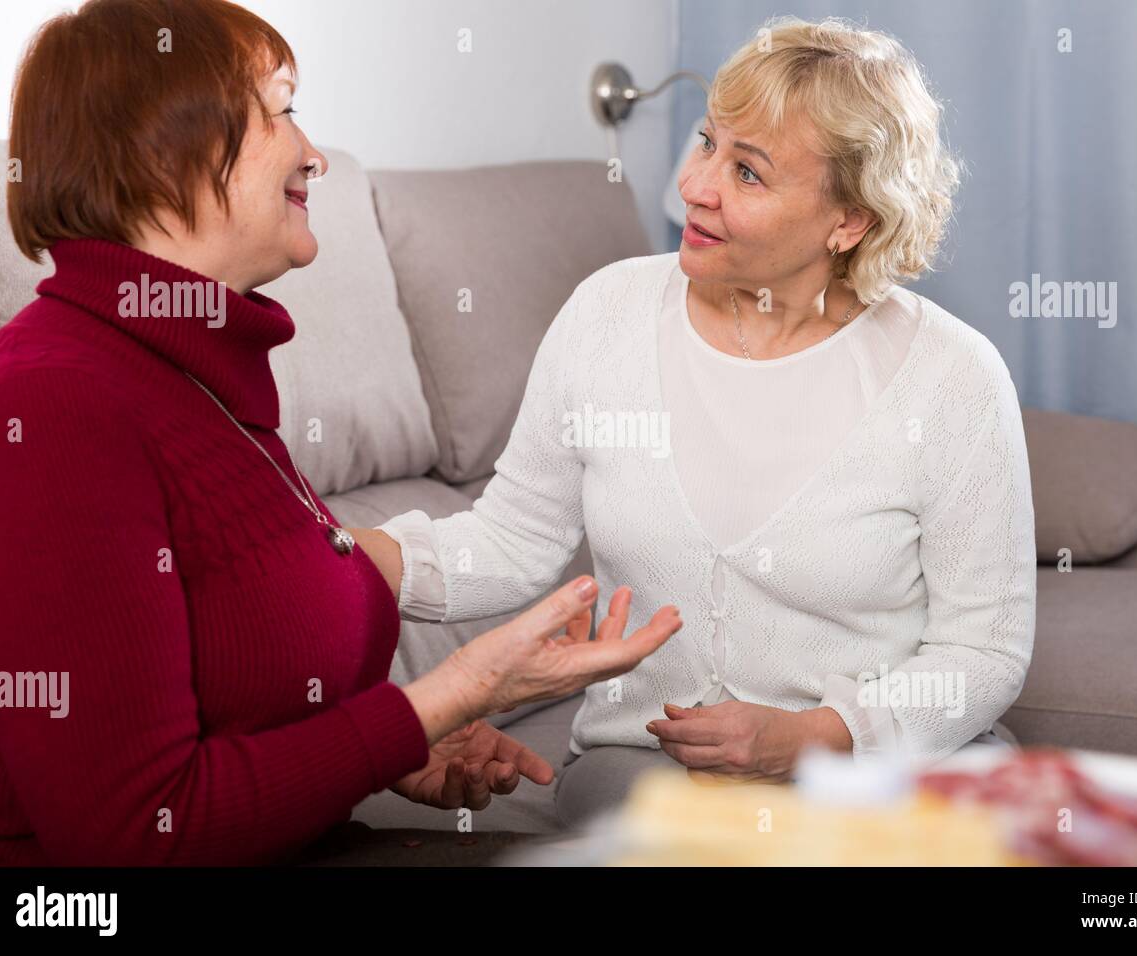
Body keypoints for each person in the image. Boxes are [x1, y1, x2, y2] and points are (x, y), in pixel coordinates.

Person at [0, 0, 681, 865]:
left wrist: (382, 754)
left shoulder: (198, 369)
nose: (313, 154)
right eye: (282, 109)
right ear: (163, 151)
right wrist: (448, 696)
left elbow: (238, 676)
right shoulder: (53, 408)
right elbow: (132, 833)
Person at [359, 16, 1037, 827]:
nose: (696, 185)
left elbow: (984, 650)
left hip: (886, 768)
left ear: (849, 220)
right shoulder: (607, 312)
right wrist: (339, 556)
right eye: (708, 143)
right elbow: (514, 540)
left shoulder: (952, 376)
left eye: (747, 172)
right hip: (647, 767)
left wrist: (823, 736)